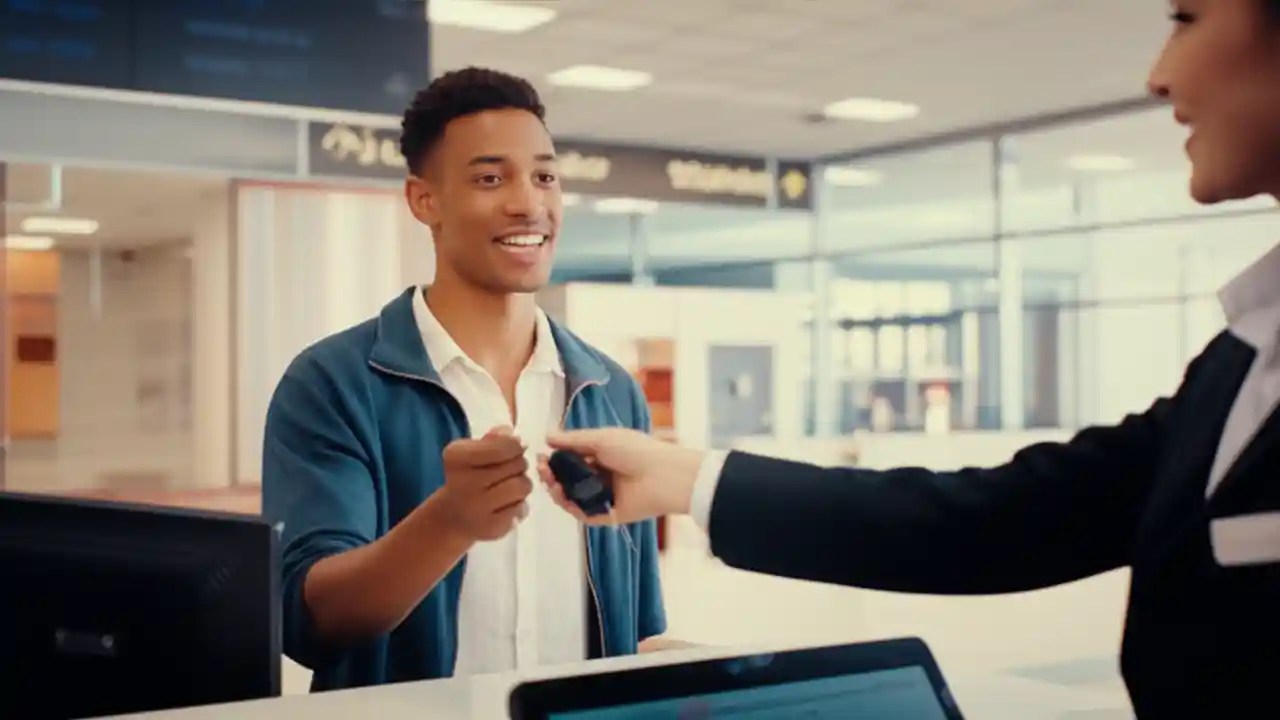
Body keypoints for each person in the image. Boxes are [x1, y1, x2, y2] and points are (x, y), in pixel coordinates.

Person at [539, 2, 1280, 718]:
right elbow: (1003, 520)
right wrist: (686, 478)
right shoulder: (1242, 357)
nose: (1157, 74)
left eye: (1187, 19)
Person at [262, 67, 667, 692]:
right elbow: (311, 621)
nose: (528, 202)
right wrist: (448, 522)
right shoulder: (333, 384)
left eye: (545, 176)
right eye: (489, 178)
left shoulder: (609, 391)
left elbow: (635, 629)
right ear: (425, 201)